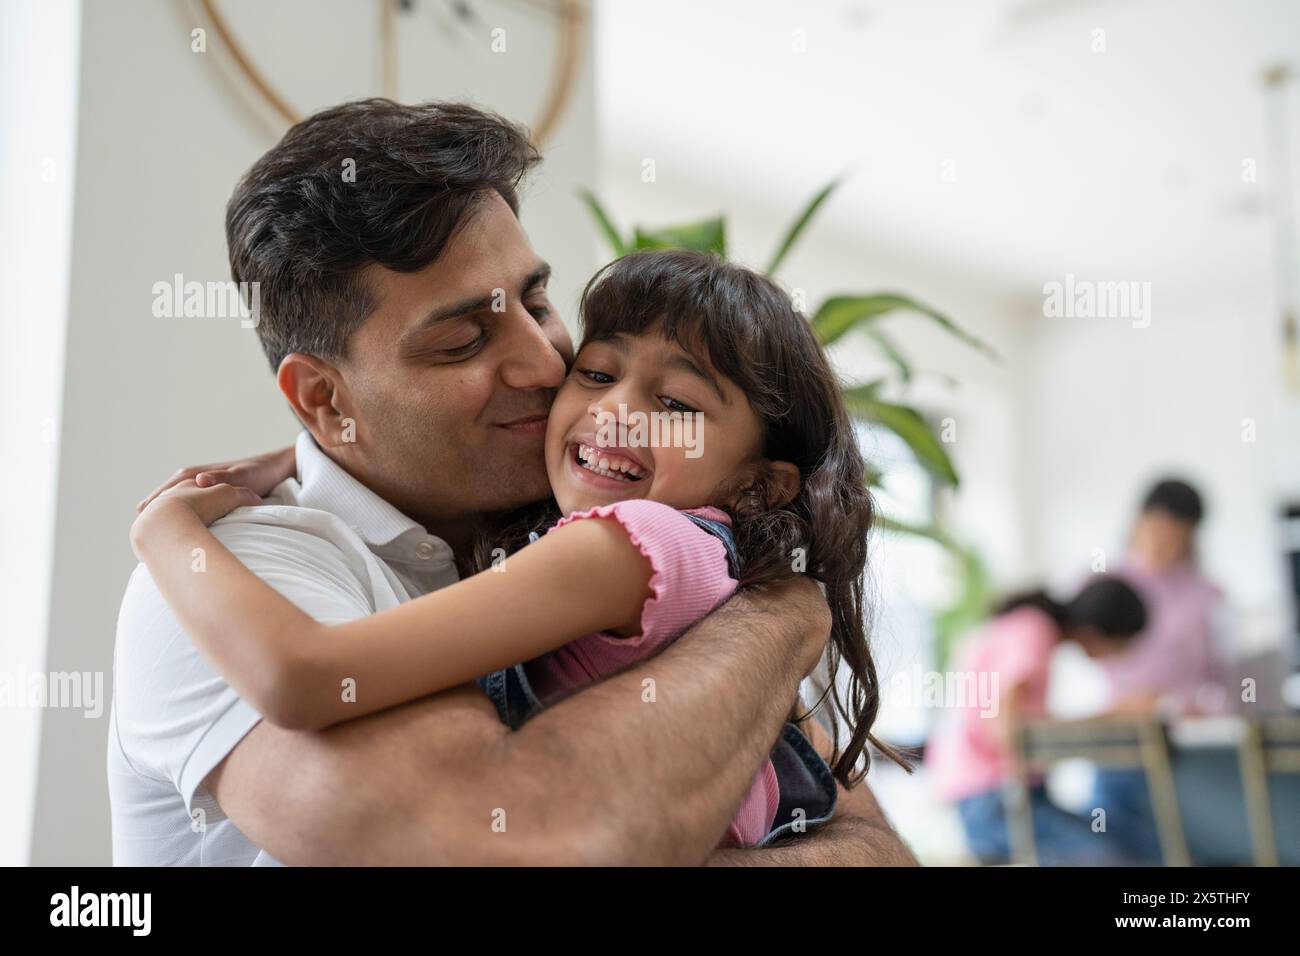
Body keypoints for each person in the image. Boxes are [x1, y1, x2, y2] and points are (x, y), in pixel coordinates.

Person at [110, 98, 917, 866]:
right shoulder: (235, 581)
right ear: (324, 399)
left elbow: (876, 853)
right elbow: (528, 848)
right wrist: (782, 616)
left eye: (536, 299)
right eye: (464, 341)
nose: (546, 363)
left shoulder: (618, 518)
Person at [926, 577, 1148, 865]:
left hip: (987, 794)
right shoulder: (1033, 631)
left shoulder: (1022, 627)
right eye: (1122, 645)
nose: (1121, 656)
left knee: (1119, 844)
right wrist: (1113, 715)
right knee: (1110, 857)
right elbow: (1005, 730)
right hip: (993, 795)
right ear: (1097, 632)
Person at [1089, 477, 1229, 864]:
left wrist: (1195, 704)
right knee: (1116, 847)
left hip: (1188, 744)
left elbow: (1224, 676)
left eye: (1179, 537)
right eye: (1160, 531)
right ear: (1139, 522)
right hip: (1121, 741)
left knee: (1193, 846)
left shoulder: (1208, 594)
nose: (1167, 546)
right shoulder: (1104, 584)